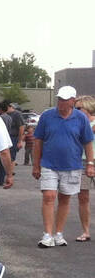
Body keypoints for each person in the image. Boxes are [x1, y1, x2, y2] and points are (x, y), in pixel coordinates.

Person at [33, 86, 95, 247]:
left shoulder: (80, 118)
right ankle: (47, 234)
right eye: (59, 99)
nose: (61, 102)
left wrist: (90, 163)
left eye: (65, 100)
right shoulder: (47, 116)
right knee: (49, 196)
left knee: (65, 199)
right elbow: (38, 141)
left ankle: (58, 233)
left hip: (72, 165)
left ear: (72, 101)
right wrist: (36, 165)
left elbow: (88, 142)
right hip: (49, 164)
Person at [74, 94, 95, 242]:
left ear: (88, 107)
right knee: (83, 197)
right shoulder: (76, 124)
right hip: (81, 162)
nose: (76, 110)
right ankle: (85, 231)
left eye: (79, 108)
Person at [0, 101, 24, 186]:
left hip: (10, 137)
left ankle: (1, 177)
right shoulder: (9, 117)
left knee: (4, 158)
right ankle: (3, 177)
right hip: (8, 137)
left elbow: (21, 127)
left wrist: (19, 140)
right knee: (6, 158)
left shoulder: (14, 115)